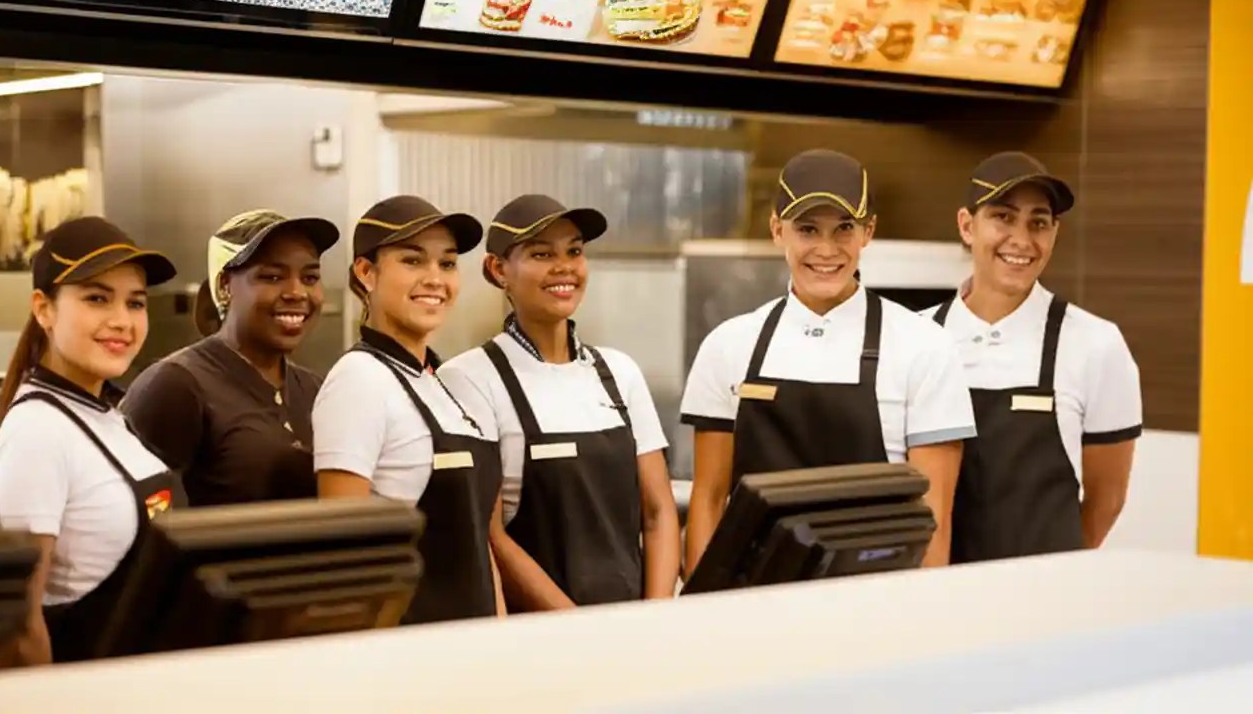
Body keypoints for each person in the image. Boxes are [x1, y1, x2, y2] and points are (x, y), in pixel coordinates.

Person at [680, 149, 976, 574]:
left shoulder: (924, 346)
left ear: (868, 232)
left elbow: (933, 519)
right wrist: (702, 609)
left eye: (843, 229)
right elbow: (709, 500)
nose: (826, 249)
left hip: (877, 603)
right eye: (807, 229)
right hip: (755, 607)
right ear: (777, 230)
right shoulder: (728, 346)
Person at [439, 194, 680, 611]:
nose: (564, 266)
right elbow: (490, 535)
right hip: (538, 634)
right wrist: (575, 626)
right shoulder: (470, 379)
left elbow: (658, 512)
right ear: (499, 270)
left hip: (632, 630)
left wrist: (654, 617)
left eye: (574, 251)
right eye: (541, 253)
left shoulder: (619, 373)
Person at [924, 152, 1141, 562]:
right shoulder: (916, 338)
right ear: (967, 226)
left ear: (1054, 232)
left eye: (1038, 222)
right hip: (937, 596)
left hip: (1045, 599)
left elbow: (1106, 499)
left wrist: (1051, 571)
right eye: (1003, 218)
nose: (1022, 240)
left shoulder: (1096, 344)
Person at [0, 217, 180, 664]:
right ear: (43, 308)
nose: (122, 321)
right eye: (97, 298)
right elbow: (18, 624)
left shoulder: (109, 415)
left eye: (135, 303)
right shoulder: (36, 432)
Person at [314, 196, 506, 624]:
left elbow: (479, 547)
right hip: (408, 651)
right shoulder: (358, 380)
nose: (435, 279)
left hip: (473, 652)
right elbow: (342, 553)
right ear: (366, 273)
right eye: (413, 261)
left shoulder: (443, 384)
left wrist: (501, 636)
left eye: (448, 264)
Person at [121, 210, 340, 506]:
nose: (297, 292)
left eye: (310, 277)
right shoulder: (176, 386)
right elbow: (140, 517)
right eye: (272, 276)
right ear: (225, 285)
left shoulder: (316, 390)